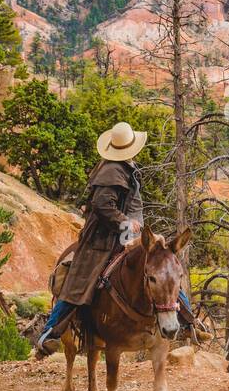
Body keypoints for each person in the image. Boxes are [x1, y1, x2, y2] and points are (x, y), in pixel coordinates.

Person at [36, 121, 147, 355]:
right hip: (100, 240)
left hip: (125, 232)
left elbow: (131, 204)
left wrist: (132, 230)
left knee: (160, 262)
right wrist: (126, 223)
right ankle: (49, 333)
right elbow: (102, 205)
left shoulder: (127, 168)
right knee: (78, 284)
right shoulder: (111, 171)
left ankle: (186, 319)